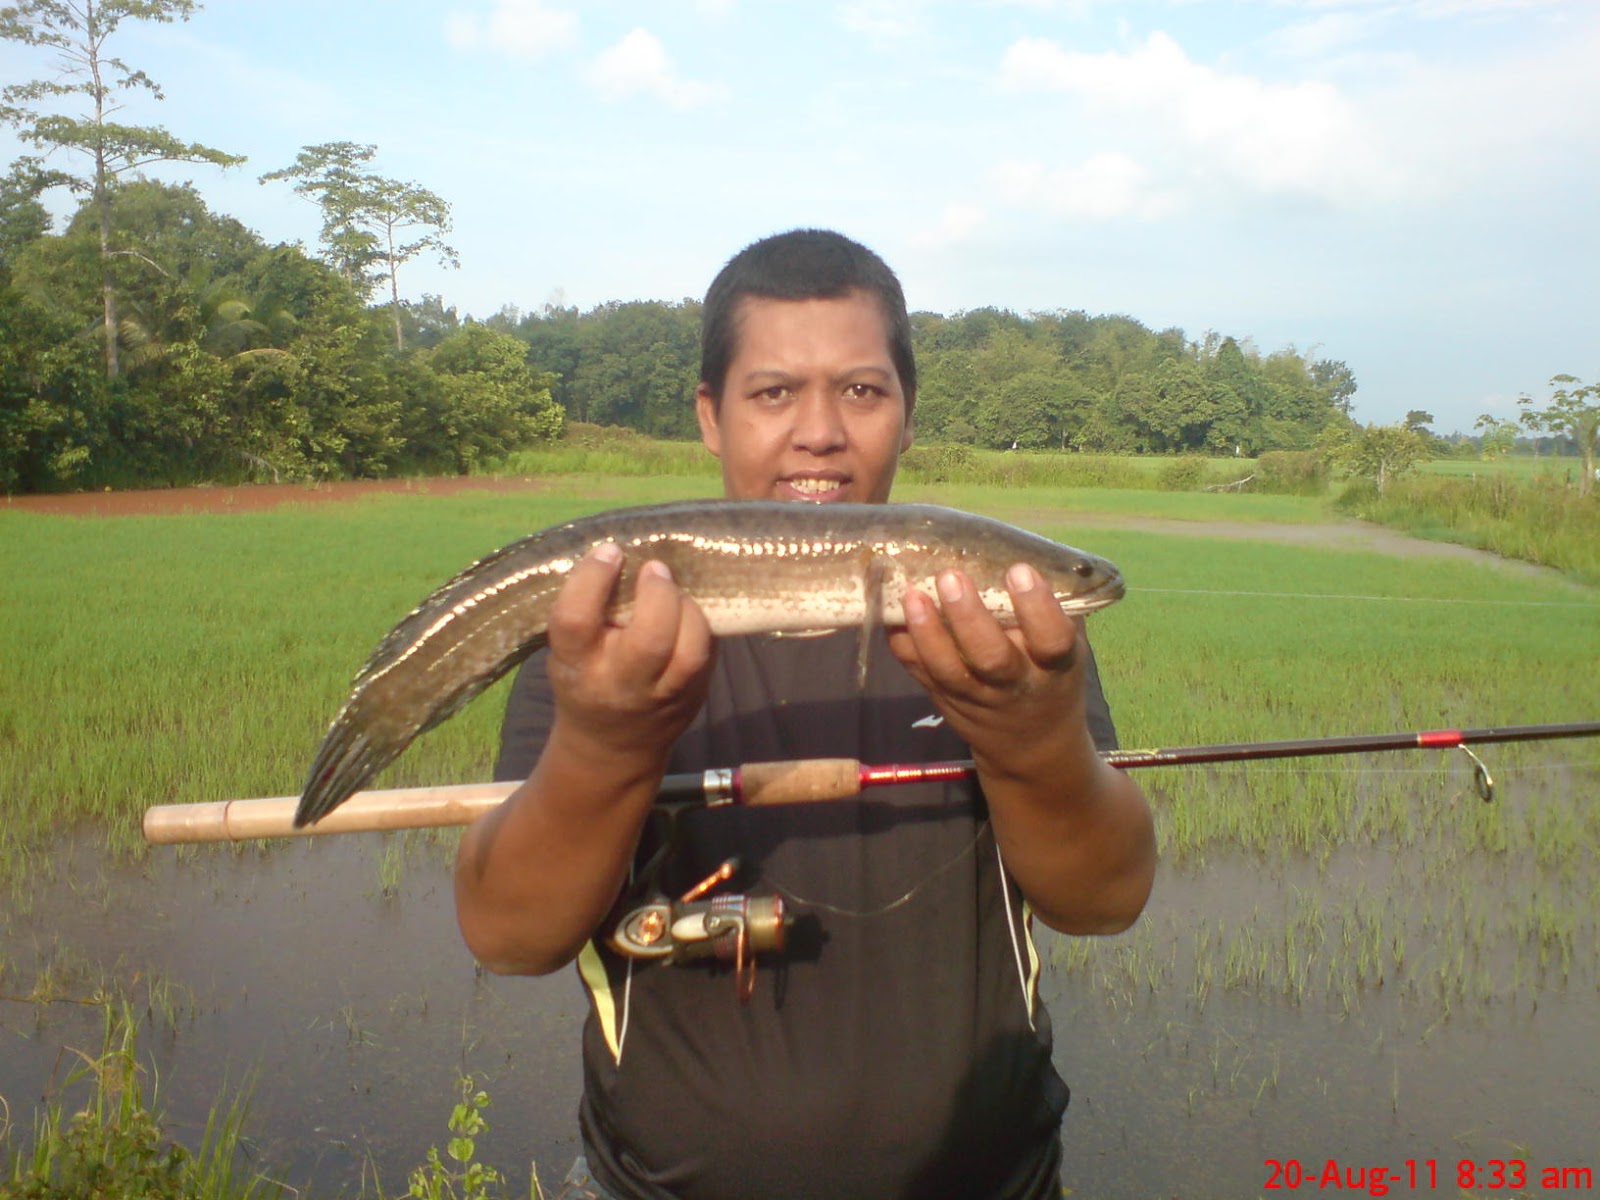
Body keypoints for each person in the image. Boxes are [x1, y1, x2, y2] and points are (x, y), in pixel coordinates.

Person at [454, 229, 1156, 1200]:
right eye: (774, 391)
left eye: (863, 391)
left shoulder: (1009, 648)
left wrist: (1035, 744)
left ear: (908, 414)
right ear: (710, 414)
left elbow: (1104, 901)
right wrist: (606, 742)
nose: (820, 430)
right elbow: (507, 935)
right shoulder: (607, 641)